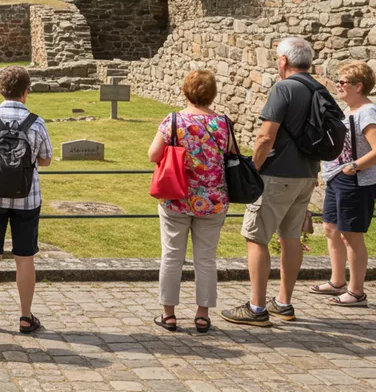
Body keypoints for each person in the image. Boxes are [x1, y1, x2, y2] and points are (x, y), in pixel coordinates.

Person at [222, 37, 323, 326]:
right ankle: (283, 302)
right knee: (290, 238)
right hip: (307, 174)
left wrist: (252, 168)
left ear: (283, 61)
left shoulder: (284, 87)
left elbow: (266, 136)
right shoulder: (319, 88)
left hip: (277, 175)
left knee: (255, 237)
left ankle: (256, 308)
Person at [0, 66, 51, 334]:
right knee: (25, 257)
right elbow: (46, 159)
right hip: (27, 198)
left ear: (0, 89)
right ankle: (26, 317)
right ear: (27, 92)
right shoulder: (36, 122)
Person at [147, 69, 230, 333]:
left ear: (186, 91)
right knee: (206, 258)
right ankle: (202, 315)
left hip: (177, 196)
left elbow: (153, 154)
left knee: (172, 255)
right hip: (213, 198)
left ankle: (168, 314)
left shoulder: (174, 121)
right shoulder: (223, 123)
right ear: (212, 93)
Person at [310, 61, 376, 307]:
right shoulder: (348, 110)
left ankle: (357, 292)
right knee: (330, 228)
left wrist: (354, 166)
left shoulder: (367, 113)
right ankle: (337, 281)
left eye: (343, 82)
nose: (338, 85)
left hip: (356, 181)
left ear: (359, 86)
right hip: (337, 178)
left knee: (351, 235)